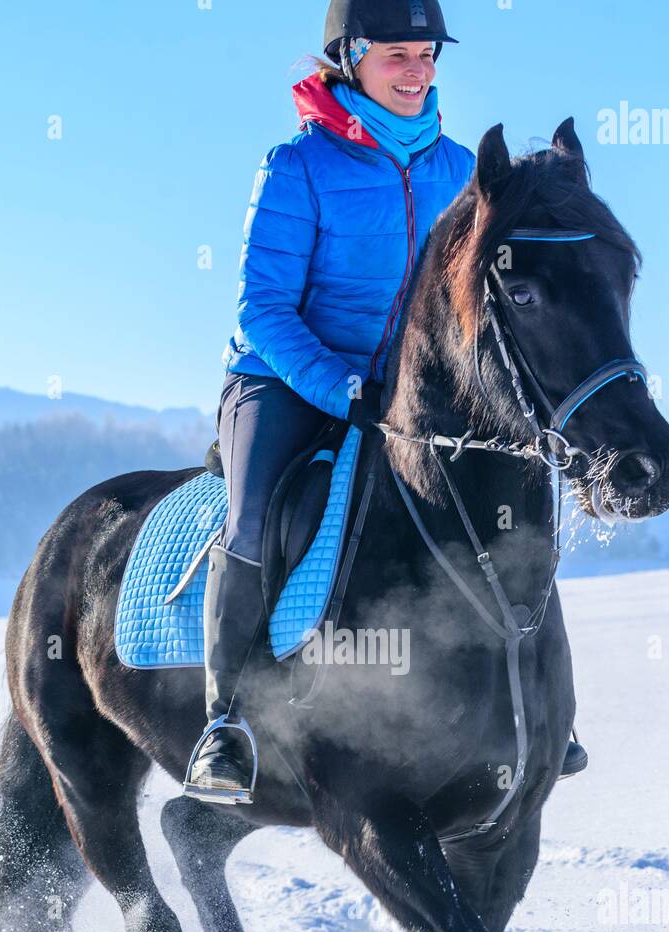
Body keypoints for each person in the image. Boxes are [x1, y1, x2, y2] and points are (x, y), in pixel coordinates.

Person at [184, 0, 588, 803]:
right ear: (350, 59)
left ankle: (547, 712)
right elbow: (262, 308)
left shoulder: (460, 170)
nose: (417, 70)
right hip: (285, 379)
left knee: (506, 512)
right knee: (255, 517)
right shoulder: (298, 164)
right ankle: (224, 722)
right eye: (397, 54)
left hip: (417, 395)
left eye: (428, 53)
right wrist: (342, 388)